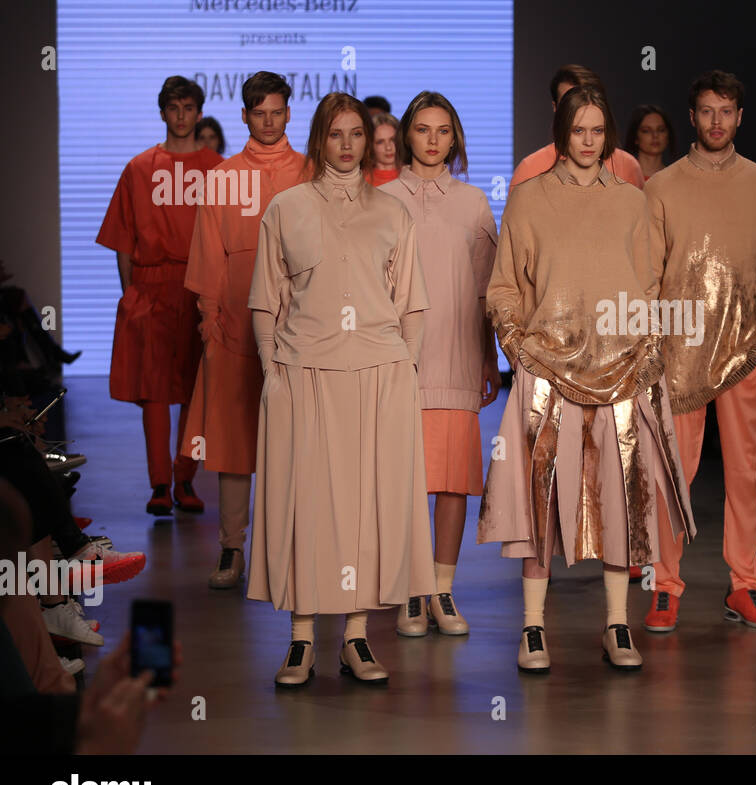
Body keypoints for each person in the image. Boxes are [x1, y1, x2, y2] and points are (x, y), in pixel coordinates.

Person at [478, 86, 695, 673]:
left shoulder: (632, 201)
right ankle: (532, 628)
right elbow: (502, 283)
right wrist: (516, 344)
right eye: (579, 131)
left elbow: (651, 284)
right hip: (546, 368)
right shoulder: (527, 198)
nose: (588, 141)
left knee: (621, 499)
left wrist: (649, 346)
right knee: (539, 502)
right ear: (562, 134)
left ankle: (618, 625)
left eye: (598, 131)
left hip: (621, 372)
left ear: (609, 137)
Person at [247, 92, 434, 687]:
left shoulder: (392, 213)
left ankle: (355, 637)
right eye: (337, 135)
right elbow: (263, 300)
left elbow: (412, 303)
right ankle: (301, 639)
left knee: (366, 508)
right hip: (305, 373)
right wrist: (273, 372)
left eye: (357, 134)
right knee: (308, 503)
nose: (349, 145)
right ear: (319, 140)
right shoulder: (286, 208)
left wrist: (405, 369)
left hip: (378, 375)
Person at [643, 70, 756, 632]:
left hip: (745, 350)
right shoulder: (662, 187)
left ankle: (745, 585)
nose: (715, 121)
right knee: (671, 472)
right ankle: (664, 585)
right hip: (677, 352)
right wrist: (652, 345)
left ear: (739, 117)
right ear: (692, 116)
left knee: (745, 472)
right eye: (706, 110)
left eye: (725, 111)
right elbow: (647, 274)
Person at [380, 92, 499, 636]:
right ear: (407, 135)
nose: (432, 140)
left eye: (443, 130)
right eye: (423, 129)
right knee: (403, 478)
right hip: (399, 358)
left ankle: (442, 590)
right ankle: (410, 587)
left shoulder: (474, 202)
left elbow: (485, 289)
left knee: (452, 479)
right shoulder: (382, 198)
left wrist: (488, 357)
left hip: (457, 353)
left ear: (455, 138)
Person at [184, 71, 306, 590]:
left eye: (278, 112)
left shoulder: (309, 170)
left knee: (300, 438)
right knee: (233, 441)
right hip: (234, 316)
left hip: (301, 319)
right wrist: (209, 318)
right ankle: (232, 548)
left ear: (289, 113)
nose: (270, 121)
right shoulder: (223, 176)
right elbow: (209, 247)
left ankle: (298, 547)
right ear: (244, 116)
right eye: (260, 113)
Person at [96, 76, 223, 515]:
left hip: (198, 285)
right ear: (163, 112)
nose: (182, 115)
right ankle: (158, 485)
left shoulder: (218, 168)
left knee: (194, 389)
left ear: (199, 112)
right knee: (152, 391)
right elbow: (125, 239)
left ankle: (184, 478)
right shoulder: (138, 168)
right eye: (174, 107)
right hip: (150, 287)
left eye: (189, 107)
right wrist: (130, 295)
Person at [509, 65, 644, 190]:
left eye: (588, 101)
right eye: (571, 103)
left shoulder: (628, 166)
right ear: (555, 107)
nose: (581, 111)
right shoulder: (530, 169)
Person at [625, 104, 675, 180]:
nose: (655, 135)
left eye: (661, 130)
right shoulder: (622, 177)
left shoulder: (674, 178)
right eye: (646, 131)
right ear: (635, 137)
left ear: (668, 135)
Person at [369, 111, 402, 186]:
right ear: (371, 146)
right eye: (380, 142)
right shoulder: (361, 182)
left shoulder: (414, 175)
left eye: (392, 140)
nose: (388, 147)